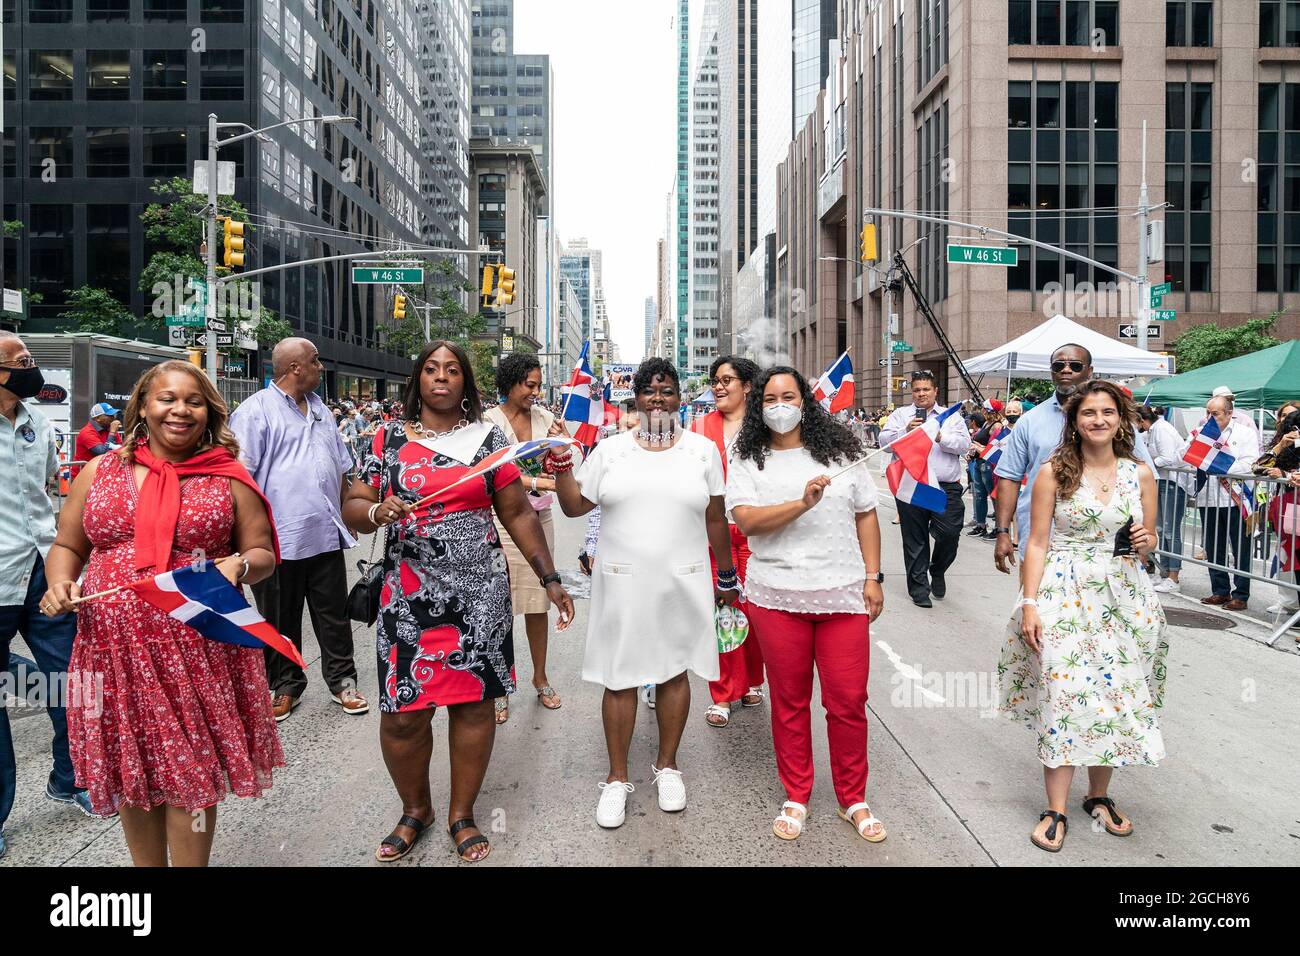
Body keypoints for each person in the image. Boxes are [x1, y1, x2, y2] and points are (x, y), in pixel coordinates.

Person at [42, 360, 283, 866]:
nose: (180, 410)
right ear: (143, 408)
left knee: (191, 774)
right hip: (113, 651)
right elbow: (68, 543)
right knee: (135, 770)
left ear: (208, 412)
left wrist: (238, 565)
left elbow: (262, 554)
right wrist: (60, 582)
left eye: (193, 401)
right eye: (167, 398)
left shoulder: (228, 476)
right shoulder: (98, 470)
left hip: (196, 645)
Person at [342, 341, 573, 863]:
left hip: (478, 595)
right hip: (407, 595)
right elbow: (353, 503)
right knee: (403, 713)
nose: (440, 378)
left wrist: (550, 577)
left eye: (452, 370)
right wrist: (377, 511)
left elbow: (517, 513)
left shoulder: (488, 439)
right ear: (417, 380)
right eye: (430, 369)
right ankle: (415, 808)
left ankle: (462, 812)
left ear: (466, 383)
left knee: (473, 706)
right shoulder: (387, 437)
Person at [552, 357, 738, 829]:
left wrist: (725, 574)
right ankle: (617, 779)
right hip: (622, 582)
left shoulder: (702, 451)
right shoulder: (611, 451)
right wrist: (559, 468)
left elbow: (715, 518)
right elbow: (575, 506)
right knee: (621, 677)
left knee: (675, 672)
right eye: (649, 389)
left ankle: (668, 766)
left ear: (679, 397)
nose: (658, 397)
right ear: (635, 397)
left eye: (667, 389)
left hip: (684, 579)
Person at [997, 380, 1167, 853]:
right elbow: (1036, 541)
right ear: (1074, 421)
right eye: (1088, 412)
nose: (1098, 420)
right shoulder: (1054, 472)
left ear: (1121, 419)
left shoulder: (1141, 474)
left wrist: (1145, 542)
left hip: (1124, 597)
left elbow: (1150, 537)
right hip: (1063, 592)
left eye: (1108, 412)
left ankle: (1099, 796)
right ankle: (1056, 807)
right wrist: (1028, 602)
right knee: (1066, 693)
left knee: (1114, 695)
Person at [728, 366, 886, 844]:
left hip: (843, 596)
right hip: (776, 599)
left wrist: (873, 577)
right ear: (759, 407)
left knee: (848, 702)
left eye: (789, 396)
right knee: (790, 703)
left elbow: (866, 515)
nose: (779, 406)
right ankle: (796, 793)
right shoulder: (746, 458)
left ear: (806, 401)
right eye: (770, 398)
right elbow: (747, 522)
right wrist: (801, 503)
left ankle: (852, 797)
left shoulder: (842, 452)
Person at [0, 333, 105, 861]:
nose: (31, 369)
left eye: (31, 359)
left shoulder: (37, 422)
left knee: (75, 682)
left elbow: (50, 492)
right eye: (21, 362)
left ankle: (72, 778)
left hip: (43, 574)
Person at [229, 338, 368, 722]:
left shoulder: (322, 409)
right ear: (294, 368)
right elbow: (240, 479)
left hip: (324, 534)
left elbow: (341, 468)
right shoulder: (255, 412)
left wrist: (350, 516)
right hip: (276, 542)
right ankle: (284, 686)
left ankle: (343, 681)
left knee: (334, 615)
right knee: (278, 617)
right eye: (315, 361)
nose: (320, 367)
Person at [993, 344, 1154, 575]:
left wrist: (1146, 537)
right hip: (1040, 542)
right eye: (1059, 365)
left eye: (1075, 365)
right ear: (1051, 371)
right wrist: (1003, 532)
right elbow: (1009, 476)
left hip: (1107, 551)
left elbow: (1144, 479)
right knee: (1034, 606)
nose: (1066, 370)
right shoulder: (1030, 421)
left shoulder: (1115, 424)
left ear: (1089, 371)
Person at [484, 353, 563, 724]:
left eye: (538, 385)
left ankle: (540, 677)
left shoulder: (546, 419)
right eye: (529, 385)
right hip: (500, 521)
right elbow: (492, 471)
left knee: (538, 602)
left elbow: (561, 462)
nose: (535, 391)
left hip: (540, 518)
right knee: (501, 606)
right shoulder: (488, 421)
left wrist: (561, 447)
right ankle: (499, 686)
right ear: (510, 383)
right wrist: (533, 481)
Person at [691, 355, 766, 728]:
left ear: (747, 386)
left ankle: (752, 679)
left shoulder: (766, 427)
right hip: (714, 534)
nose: (718, 387)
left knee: (753, 613)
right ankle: (722, 693)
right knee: (722, 610)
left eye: (726, 380)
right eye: (715, 381)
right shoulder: (700, 426)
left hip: (756, 533)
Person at [878, 370, 971, 607]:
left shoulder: (951, 417)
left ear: (935, 391)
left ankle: (937, 569)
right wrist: (905, 432)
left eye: (925, 389)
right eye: (917, 390)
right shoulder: (901, 415)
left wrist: (939, 436)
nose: (921, 394)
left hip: (944, 487)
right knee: (914, 538)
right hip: (912, 484)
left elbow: (964, 445)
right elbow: (884, 443)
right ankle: (919, 589)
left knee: (949, 533)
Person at [1182, 393, 1261, 611]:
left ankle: (1241, 594)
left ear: (1229, 413)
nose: (1210, 417)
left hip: (1235, 497)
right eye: (1207, 412)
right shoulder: (1200, 432)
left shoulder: (1244, 433)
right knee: (1213, 546)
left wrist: (1219, 466)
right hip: (1210, 497)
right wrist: (1196, 446)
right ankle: (1220, 590)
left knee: (1240, 548)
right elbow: (1183, 454)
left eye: (1215, 413)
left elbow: (1250, 462)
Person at [1136, 406, 1193, 593]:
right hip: (1161, 481)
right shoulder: (1152, 431)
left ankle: (1174, 574)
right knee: (1161, 528)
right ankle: (1165, 571)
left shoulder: (1162, 430)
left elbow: (1167, 458)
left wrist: (1145, 466)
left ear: (1142, 420)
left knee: (1170, 529)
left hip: (1173, 482)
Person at [1264, 418, 1300, 634]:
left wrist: (1287, 476)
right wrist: (1280, 446)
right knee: (1294, 562)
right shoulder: (1285, 446)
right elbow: (1258, 467)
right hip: (1291, 515)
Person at [71, 402, 122, 478]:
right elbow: (102, 453)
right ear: (97, 418)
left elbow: (120, 448)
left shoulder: (110, 429)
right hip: (82, 476)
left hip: (101, 474)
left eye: (113, 415)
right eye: (109, 415)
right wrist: (112, 432)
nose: (113, 418)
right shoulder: (87, 432)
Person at [1253, 401, 1300, 479]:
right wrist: (1280, 446)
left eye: (1292, 414)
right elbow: (1256, 469)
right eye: (1284, 415)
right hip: (1282, 491)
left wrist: (1285, 475)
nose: (1288, 418)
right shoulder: (1279, 440)